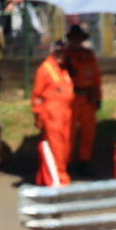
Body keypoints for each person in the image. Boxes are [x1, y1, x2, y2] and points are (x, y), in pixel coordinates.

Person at [31, 39, 73, 185]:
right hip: (52, 115)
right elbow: (37, 96)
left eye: (63, 52)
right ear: (53, 52)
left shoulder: (62, 69)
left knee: (65, 146)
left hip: (65, 113)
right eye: (58, 52)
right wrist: (39, 117)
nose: (61, 55)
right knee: (56, 148)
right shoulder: (45, 69)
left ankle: (53, 177)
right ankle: (59, 179)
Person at [65, 23, 100, 174]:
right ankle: (65, 162)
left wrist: (98, 97)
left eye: (79, 38)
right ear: (70, 39)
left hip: (87, 98)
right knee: (69, 132)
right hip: (71, 98)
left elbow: (96, 77)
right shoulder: (65, 56)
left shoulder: (89, 55)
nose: (76, 41)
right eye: (74, 38)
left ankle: (84, 163)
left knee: (88, 132)